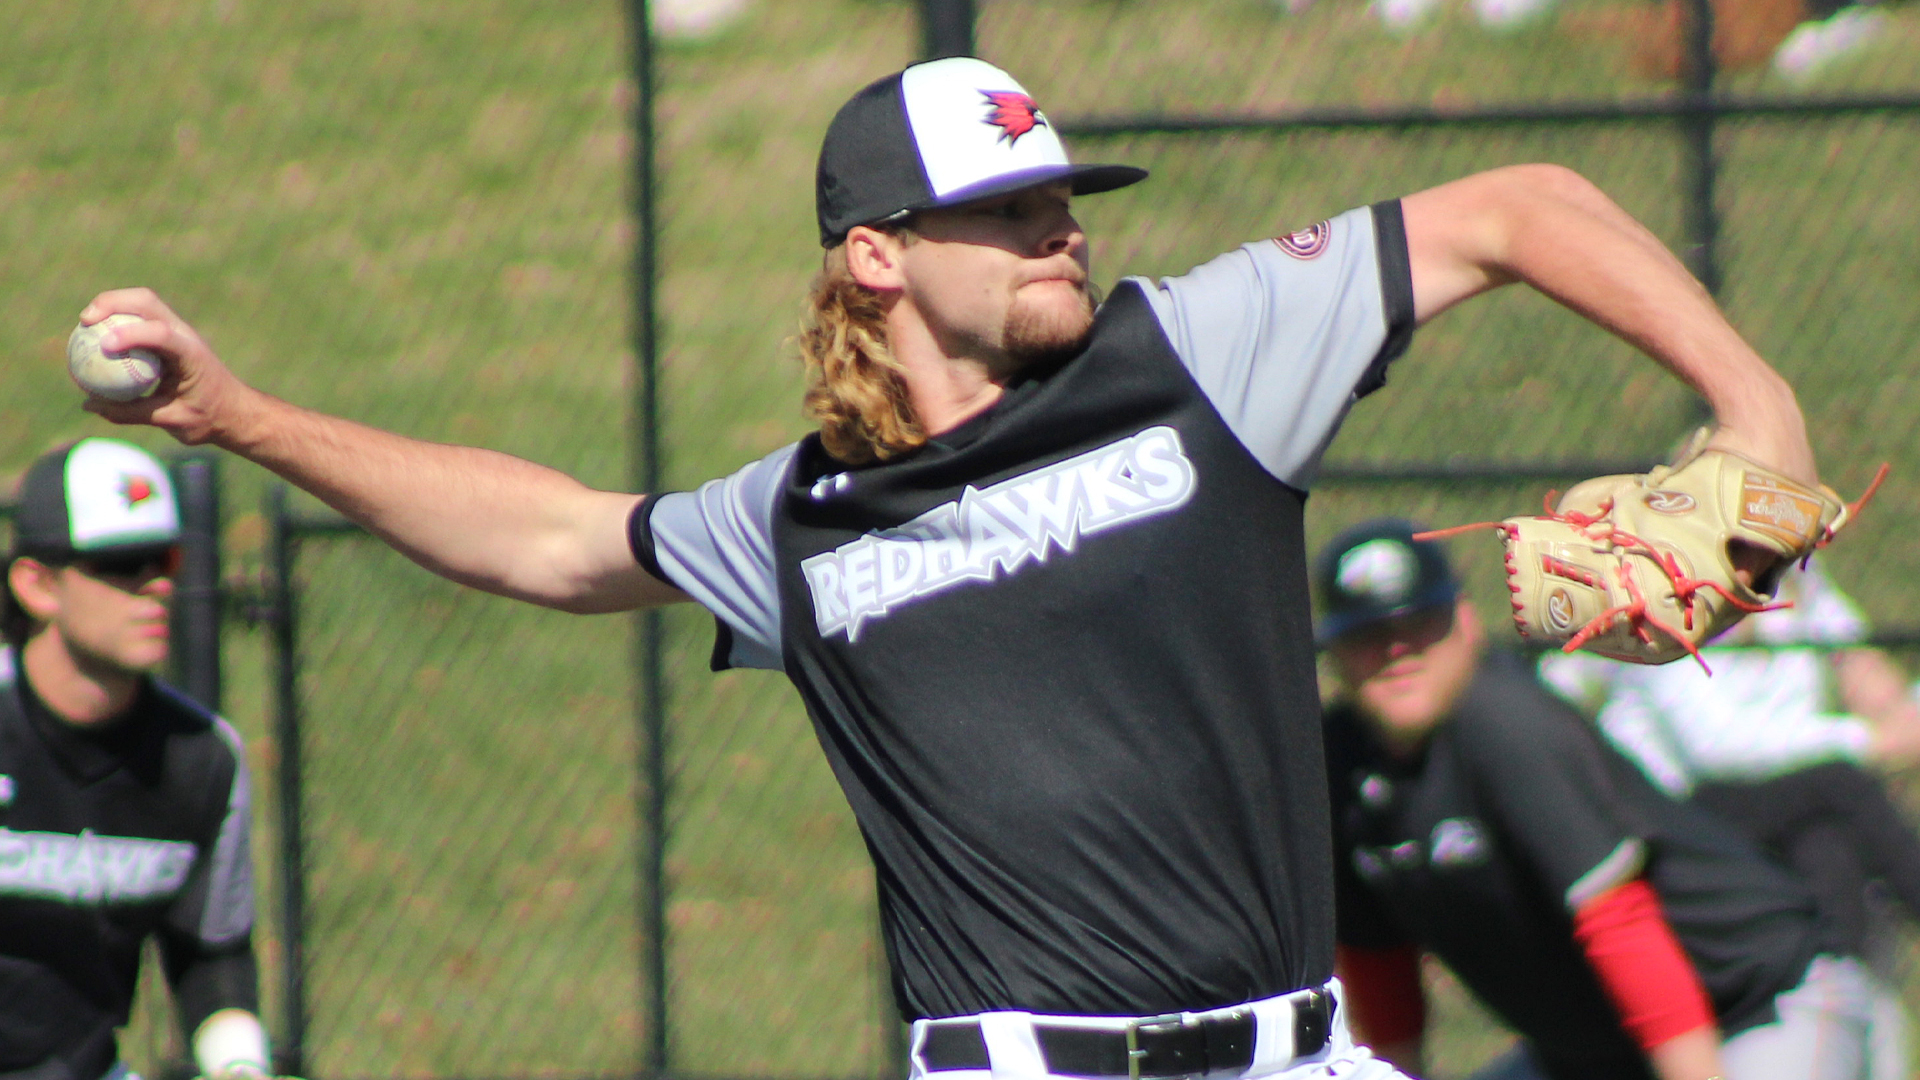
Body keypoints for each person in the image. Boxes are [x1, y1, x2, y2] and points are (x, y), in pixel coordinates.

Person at [78, 55, 1825, 1080]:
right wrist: (242, 416)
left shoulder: (1200, 354)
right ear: (877, 259)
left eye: (1058, 195)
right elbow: (546, 539)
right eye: (1007, 210)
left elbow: (1517, 207)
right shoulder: (805, 518)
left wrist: (1752, 401)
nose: (1060, 224)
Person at [1317, 519, 1879, 1080]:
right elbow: (1377, 959)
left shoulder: (1507, 727)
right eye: (1367, 636)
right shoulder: (1339, 763)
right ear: (1334, 653)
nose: (1396, 653)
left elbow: (1620, 924)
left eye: (1418, 625)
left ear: (1464, 624)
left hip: (1755, 1007)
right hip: (1593, 1057)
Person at [1541, 560, 1920, 1080]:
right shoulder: (1655, 595)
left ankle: (1851, 1032)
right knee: (1840, 788)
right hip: (1674, 812)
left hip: (1779, 806)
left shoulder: (1796, 576)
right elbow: (1719, 747)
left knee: (1827, 848)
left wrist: (1881, 694)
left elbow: (1867, 672)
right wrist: (1867, 741)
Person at [2, 438, 271, 1080]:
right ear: (38, 586)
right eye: (121, 563)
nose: (156, 587)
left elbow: (210, 955)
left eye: (166, 559)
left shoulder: (201, 760)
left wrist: (241, 1069)